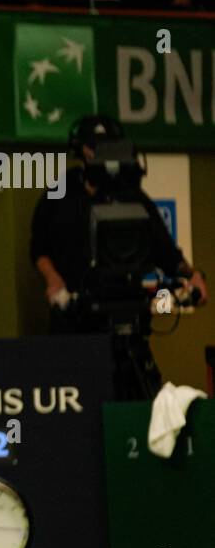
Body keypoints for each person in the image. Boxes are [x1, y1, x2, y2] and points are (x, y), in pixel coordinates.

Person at [30, 115, 207, 399]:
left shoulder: (134, 196)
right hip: (75, 323)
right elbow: (39, 250)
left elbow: (167, 255)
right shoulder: (59, 192)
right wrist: (54, 283)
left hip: (130, 314)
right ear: (84, 151)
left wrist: (192, 277)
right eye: (95, 146)